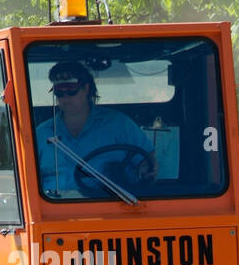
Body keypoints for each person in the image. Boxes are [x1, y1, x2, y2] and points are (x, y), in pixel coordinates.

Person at [34, 61, 154, 197]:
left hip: (108, 206)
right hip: (54, 208)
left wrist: (145, 171)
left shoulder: (118, 124)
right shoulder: (42, 133)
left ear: (86, 89)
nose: (65, 97)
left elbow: (148, 157)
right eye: (59, 93)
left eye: (71, 91)